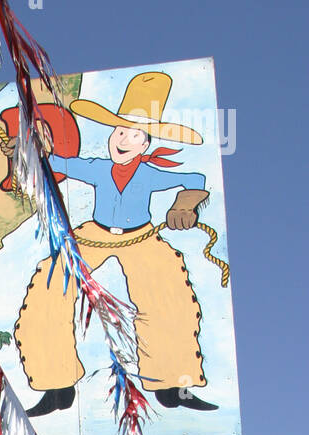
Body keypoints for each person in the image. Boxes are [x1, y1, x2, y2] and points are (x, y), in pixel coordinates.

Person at [14, 70, 218, 416]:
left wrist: (184, 206)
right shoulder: (97, 168)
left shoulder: (150, 173)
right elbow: (55, 164)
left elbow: (194, 179)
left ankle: (173, 384)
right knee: (49, 287)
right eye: (119, 131)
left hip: (142, 234)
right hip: (94, 234)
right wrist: (29, 149)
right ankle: (55, 385)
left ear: (145, 144)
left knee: (169, 290)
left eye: (133, 134)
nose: (122, 139)